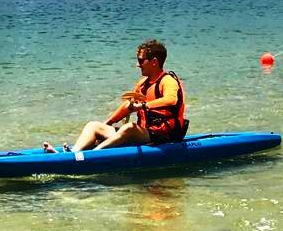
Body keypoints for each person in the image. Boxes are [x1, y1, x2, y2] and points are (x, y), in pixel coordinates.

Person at [44, 39, 188, 153]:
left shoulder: (167, 80)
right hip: (145, 133)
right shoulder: (143, 84)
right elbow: (128, 106)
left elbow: (171, 99)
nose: (138, 65)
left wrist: (143, 105)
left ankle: (91, 156)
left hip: (165, 136)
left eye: (140, 60)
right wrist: (109, 122)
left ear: (154, 62)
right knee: (93, 126)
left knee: (130, 128)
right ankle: (72, 154)